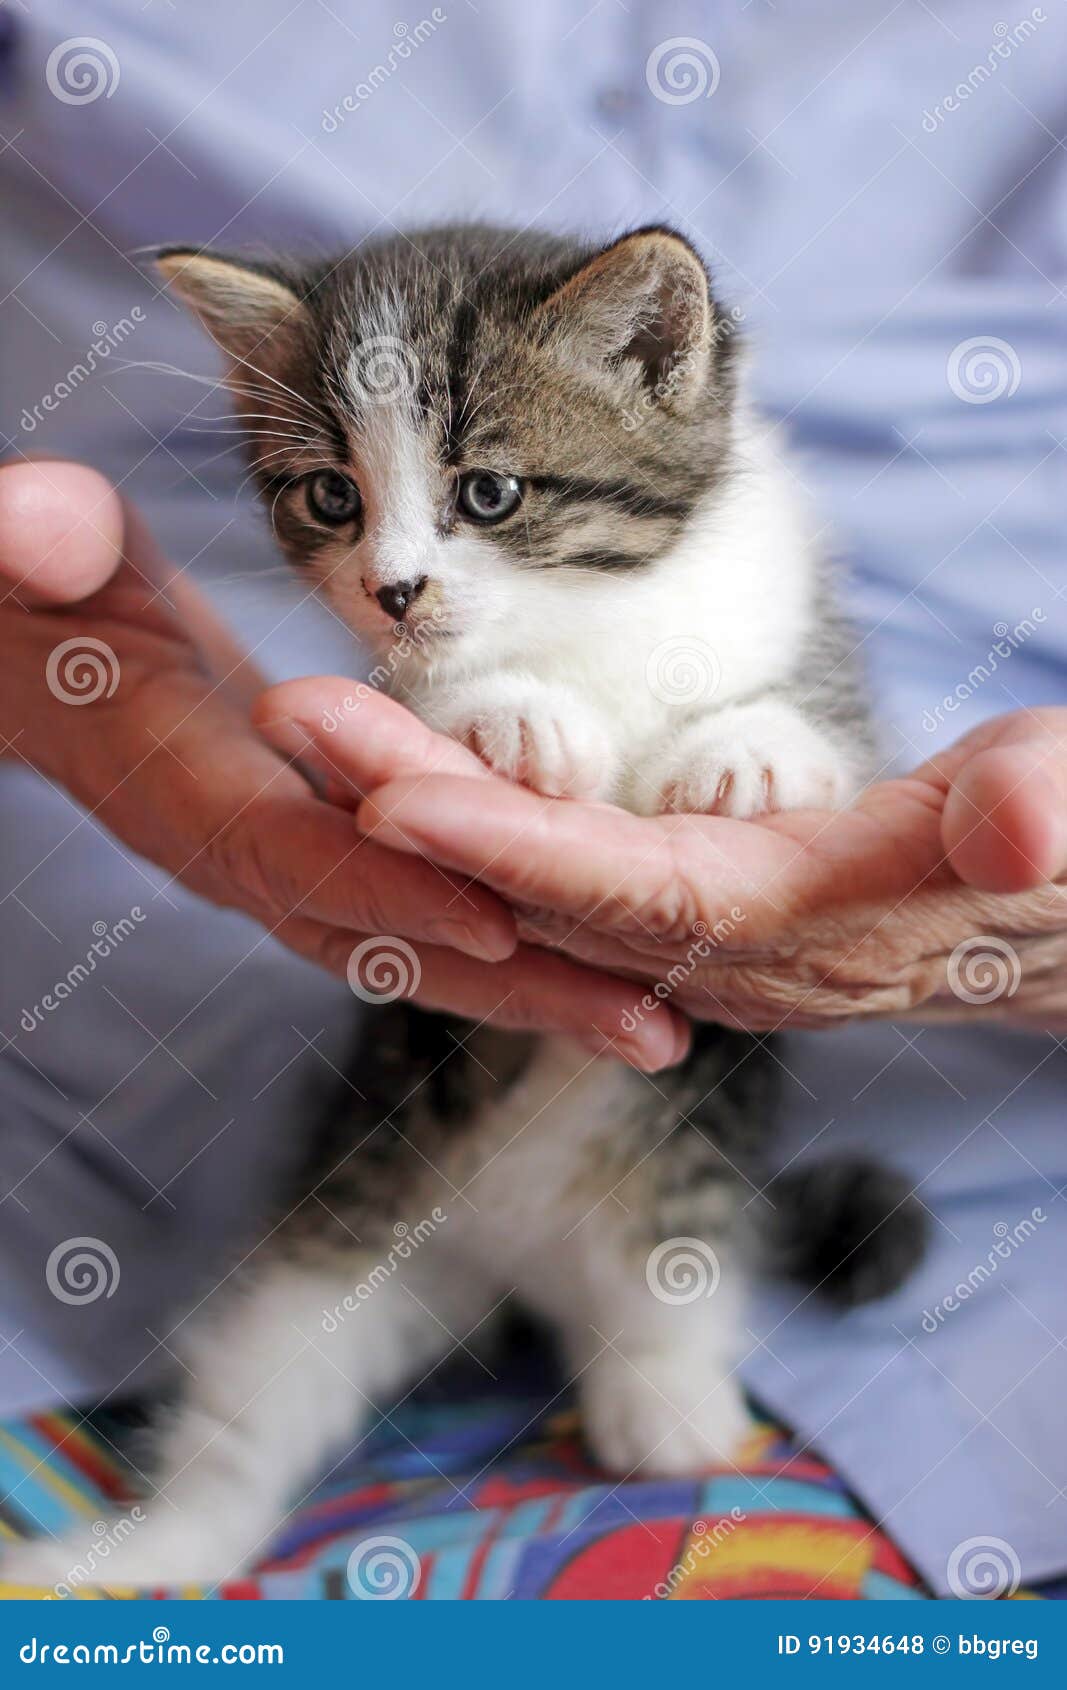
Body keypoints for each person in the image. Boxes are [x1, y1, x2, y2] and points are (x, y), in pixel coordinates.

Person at [1, 0, 1065, 1595]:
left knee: (671, 1416)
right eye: (333, 499)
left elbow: (802, 740)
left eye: (482, 494)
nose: (392, 572)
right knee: (296, 1320)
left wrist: (785, 756)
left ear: (657, 363)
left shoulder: (747, 575)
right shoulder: (427, 637)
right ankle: (198, 1515)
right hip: (234, 1102)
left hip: (861, 1213)